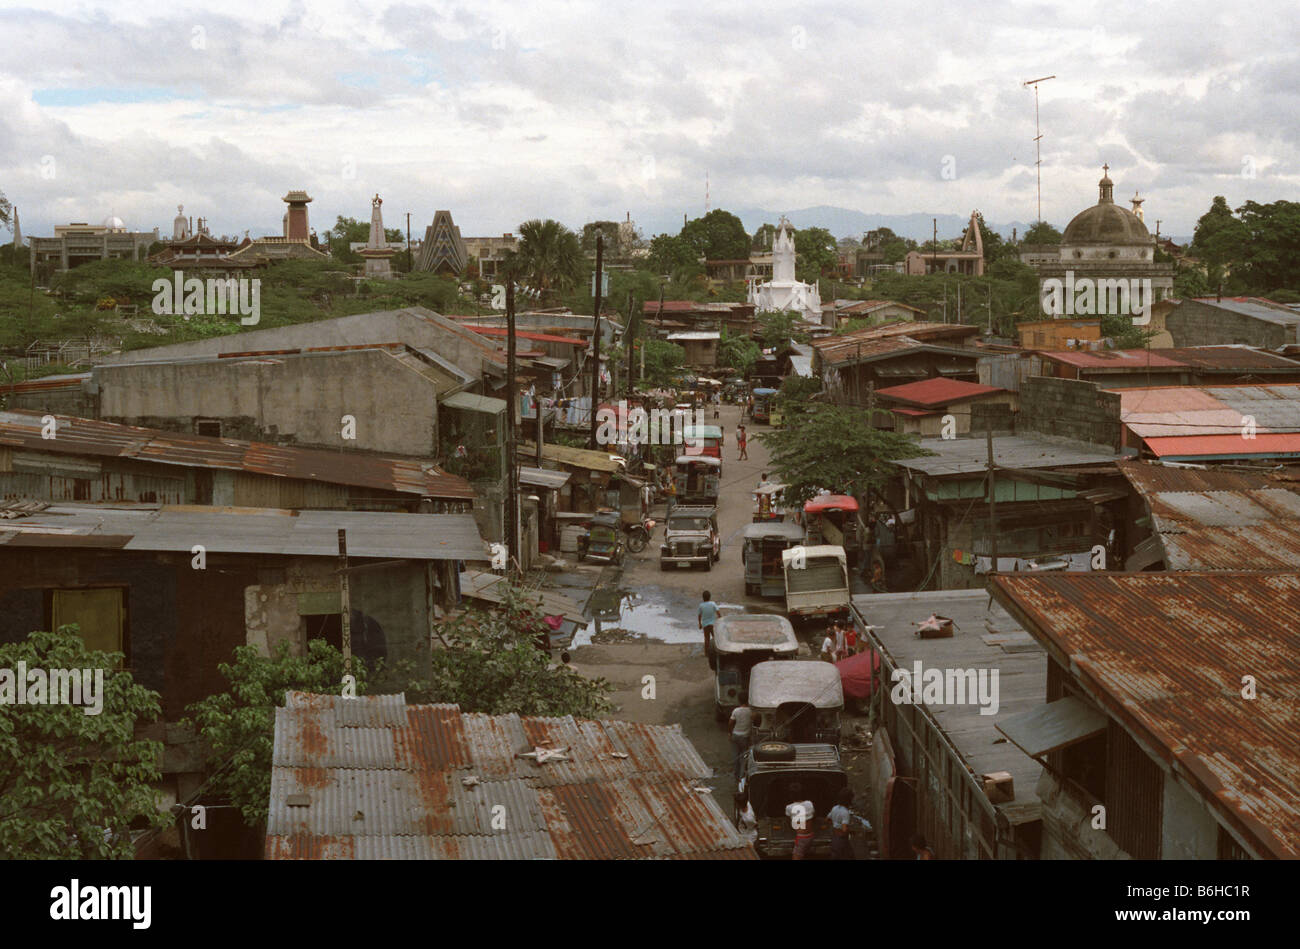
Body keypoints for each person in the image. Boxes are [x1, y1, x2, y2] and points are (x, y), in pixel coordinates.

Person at [786, 783, 816, 860]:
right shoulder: (809, 803)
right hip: (811, 835)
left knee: (796, 857)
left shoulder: (789, 807)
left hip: (801, 837)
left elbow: (789, 819)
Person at [729, 702, 752, 782]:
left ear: (739, 700)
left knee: (735, 756)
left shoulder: (736, 710)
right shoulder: (751, 711)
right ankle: (741, 777)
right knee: (744, 757)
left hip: (735, 735)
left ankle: (735, 775)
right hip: (745, 737)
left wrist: (730, 733)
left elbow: (731, 723)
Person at [829, 788, 854, 860]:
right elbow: (844, 829)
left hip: (834, 836)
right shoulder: (845, 812)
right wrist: (851, 830)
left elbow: (827, 819)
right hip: (842, 839)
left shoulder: (835, 808)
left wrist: (835, 823)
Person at [698, 590, 719, 658]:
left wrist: (700, 624)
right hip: (712, 624)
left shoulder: (701, 605)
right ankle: (716, 651)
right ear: (710, 597)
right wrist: (720, 619)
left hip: (705, 624)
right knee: (715, 638)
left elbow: (699, 615)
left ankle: (706, 653)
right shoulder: (713, 604)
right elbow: (718, 612)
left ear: (703, 597)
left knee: (707, 639)